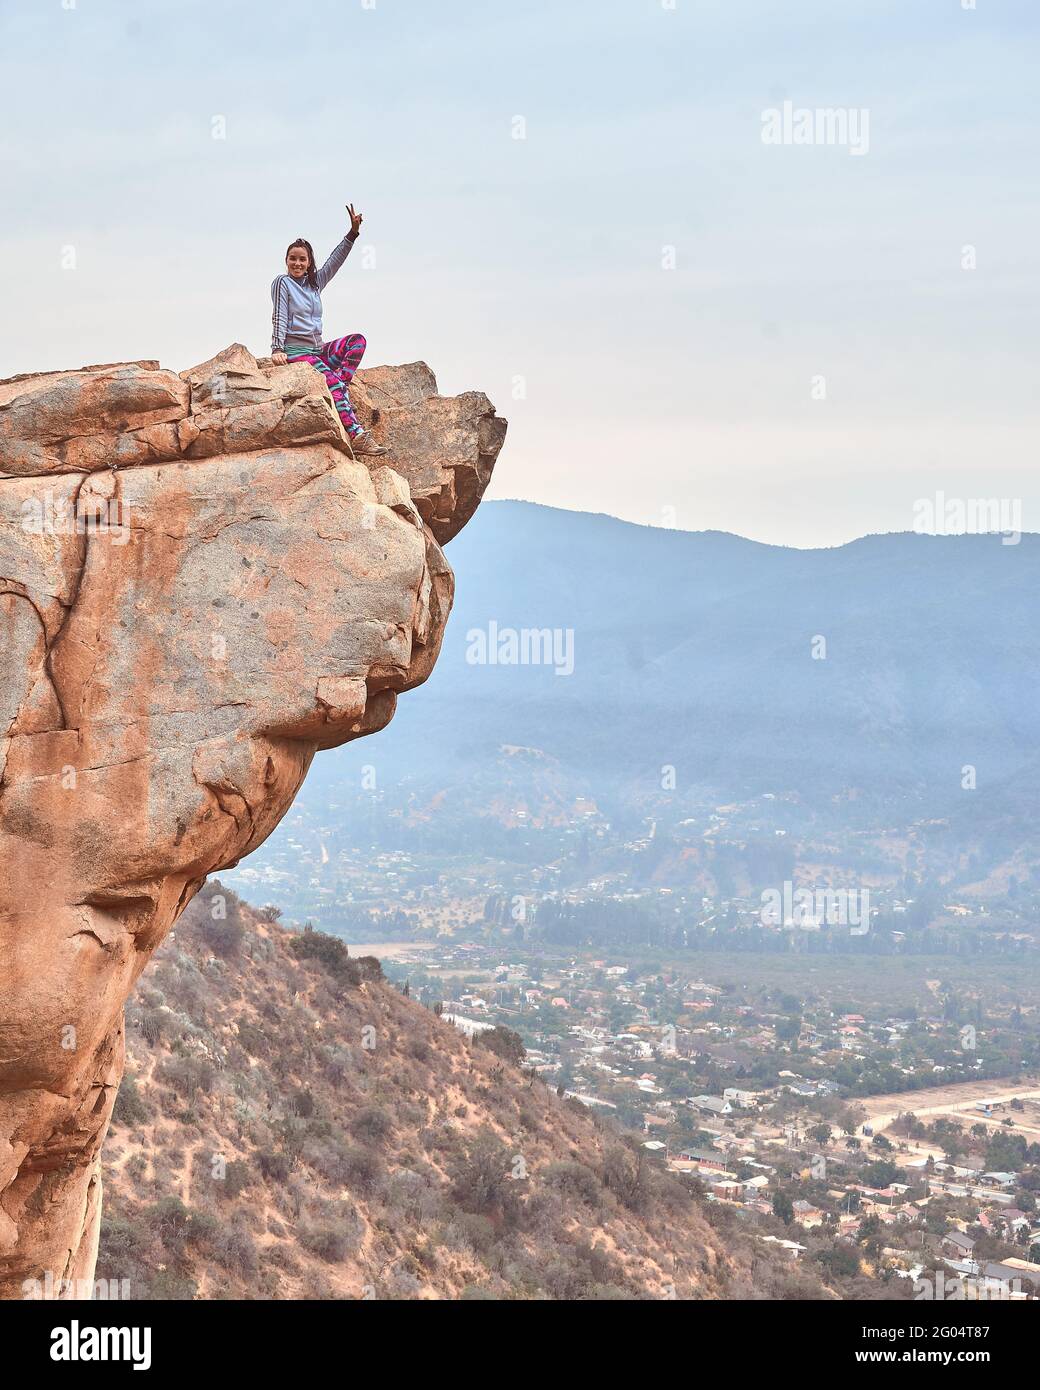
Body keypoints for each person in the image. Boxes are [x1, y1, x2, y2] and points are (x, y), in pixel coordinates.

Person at [270, 203, 388, 457]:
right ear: (286, 260)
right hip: (296, 352)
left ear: (309, 261)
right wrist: (277, 348)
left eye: (302, 259)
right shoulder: (283, 283)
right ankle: (356, 434)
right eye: (293, 258)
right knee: (331, 380)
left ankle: (340, 386)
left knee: (357, 341)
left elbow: (336, 261)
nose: (297, 263)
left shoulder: (315, 284)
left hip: (317, 351)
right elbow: (279, 315)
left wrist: (352, 234)